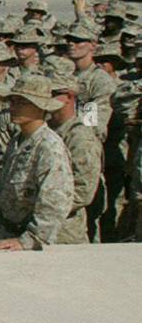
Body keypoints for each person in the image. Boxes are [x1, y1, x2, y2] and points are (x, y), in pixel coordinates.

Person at [0, 76, 74, 250]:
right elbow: (2, 190)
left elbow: (54, 201)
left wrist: (29, 240)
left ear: (40, 108)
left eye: (23, 103)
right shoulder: (17, 141)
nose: (14, 107)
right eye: (13, 101)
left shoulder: (49, 146)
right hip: (5, 234)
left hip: (29, 244)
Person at [47, 73, 103, 245]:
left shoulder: (80, 135)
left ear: (69, 97)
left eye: (53, 93)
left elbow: (83, 190)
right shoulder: (45, 130)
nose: (47, 98)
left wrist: (43, 210)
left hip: (65, 230)